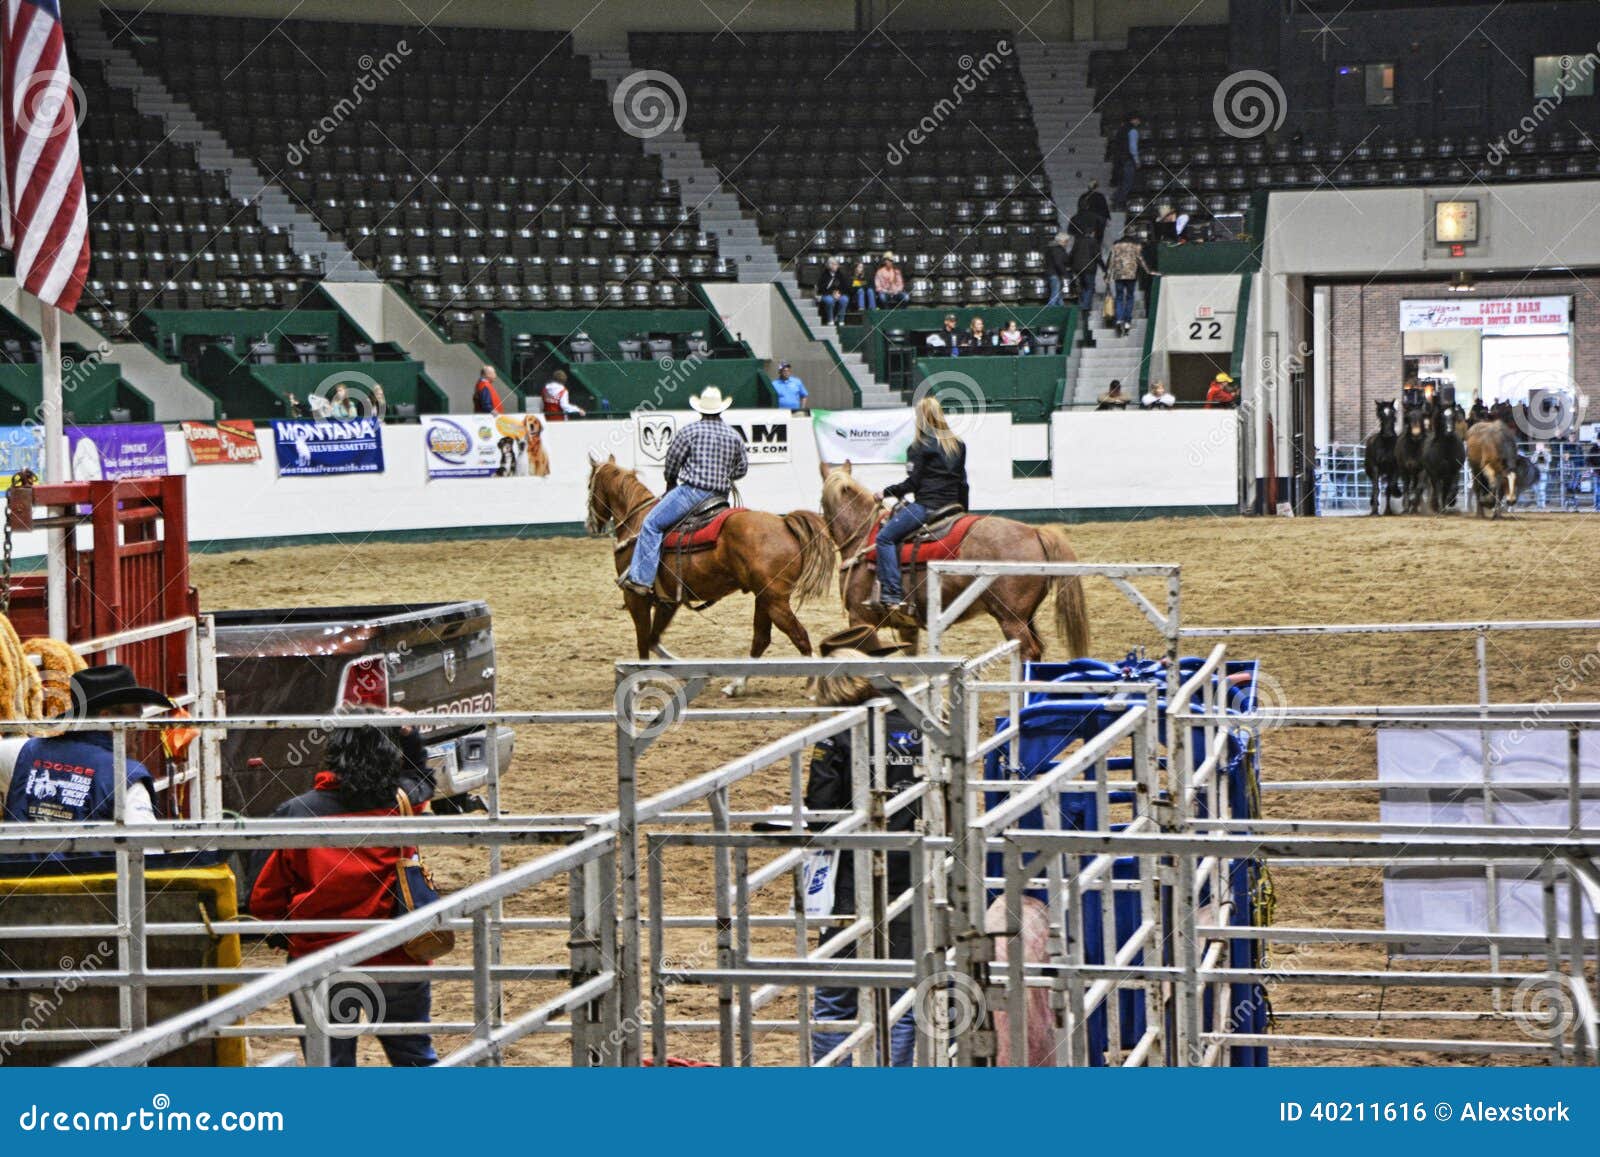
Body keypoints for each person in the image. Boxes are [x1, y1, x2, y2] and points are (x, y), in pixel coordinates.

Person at [248, 710, 439, 1067]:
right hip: (397, 957)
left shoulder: (297, 814)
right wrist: (410, 737)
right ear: (391, 755)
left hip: (323, 962)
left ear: (333, 754)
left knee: (330, 1066)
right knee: (414, 1058)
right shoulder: (403, 804)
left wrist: (285, 934)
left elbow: (263, 899)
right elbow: (424, 779)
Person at [803, 626, 920, 1066]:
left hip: (852, 878)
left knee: (837, 994)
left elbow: (822, 807)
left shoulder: (837, 731)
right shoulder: (919, 719)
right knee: (903, 991)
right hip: (914, 870)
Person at [618, 385, 748, 597]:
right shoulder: (734, 435)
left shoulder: (690, 431)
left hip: (692, 493)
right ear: (721, 410)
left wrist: (670, 482)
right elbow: (742, 468)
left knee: (651, 524)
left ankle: (641, 579)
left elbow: (672, 462)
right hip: (719, 499)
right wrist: (725, 475)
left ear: (701, 410)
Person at [3, 665, 173, 826]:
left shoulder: (23, 753)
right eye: (135, 719)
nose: (141, 730)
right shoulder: (126, 777)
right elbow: (145, 852)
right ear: (107, 719)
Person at [873, 395, 968, 618]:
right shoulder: (958, 444)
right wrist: (963, 511)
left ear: (922, 418)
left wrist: (885, 492)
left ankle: (892, 594)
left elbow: (912, 484)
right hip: (953, 507)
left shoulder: (919, 446)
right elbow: (963, 483)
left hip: (927, 507)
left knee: (884, 538)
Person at [1108, 227, 1155, 338]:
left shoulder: (1116, 245)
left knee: (1119, 297)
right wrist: (1148, 271)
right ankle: (1128, 322)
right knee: (1130, 297)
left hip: (1118, 275)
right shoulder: (1136, 246)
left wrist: (1108, 275)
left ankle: (1119, 320)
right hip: (1131, 275)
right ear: (1133, 234)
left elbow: (1111, 260)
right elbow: (1140, 260)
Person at [1069, 232, 1102, 317]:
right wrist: (1104, 267)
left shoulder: (1077, 241)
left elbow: (1071, 254)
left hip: (1078, 269)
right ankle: (1085, 306)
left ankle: (1083, 304)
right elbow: (1097, 256)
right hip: (1090, 269)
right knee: (1089, 287)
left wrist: (1071, 266)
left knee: (1083, 287)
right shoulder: (1093, 241)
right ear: (1092, 233)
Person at [1115, 113, 1143, 210]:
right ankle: (1120, 202)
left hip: (1119, 159)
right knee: (1128, 182)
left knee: (1122, 181)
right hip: (1128, 159)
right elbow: (1133, 147)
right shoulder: (1133, 131)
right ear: (1134, 120)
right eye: (1138, 120)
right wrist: (1137, 160)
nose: (1139, 122)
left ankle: (1117, 200)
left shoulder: (1121, 129)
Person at [816, 258, 851, 325]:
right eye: (833, 264)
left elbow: (845, 287)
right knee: (829, 300)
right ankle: (830, 319)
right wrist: (832, 293)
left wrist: (839, 293)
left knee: (844, 299)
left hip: (838, 294)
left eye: (836, 264)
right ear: (829, 265)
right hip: (826, 294)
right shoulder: (824, 275)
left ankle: (841, 320)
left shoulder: (840, 274)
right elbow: (821, 288)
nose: (835, 266)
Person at [1044, 232, 1071, 307]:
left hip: (1052, 273)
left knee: (1058, 295)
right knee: (1055, 295)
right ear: (1061, 241)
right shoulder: (1057, 250)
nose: (1067, 243)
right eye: (1066, 241)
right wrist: (1065, 274)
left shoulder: (1051, 249)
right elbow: (1058, 263)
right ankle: (1049, 311)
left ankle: (1061, 309)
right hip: (1055, 274)